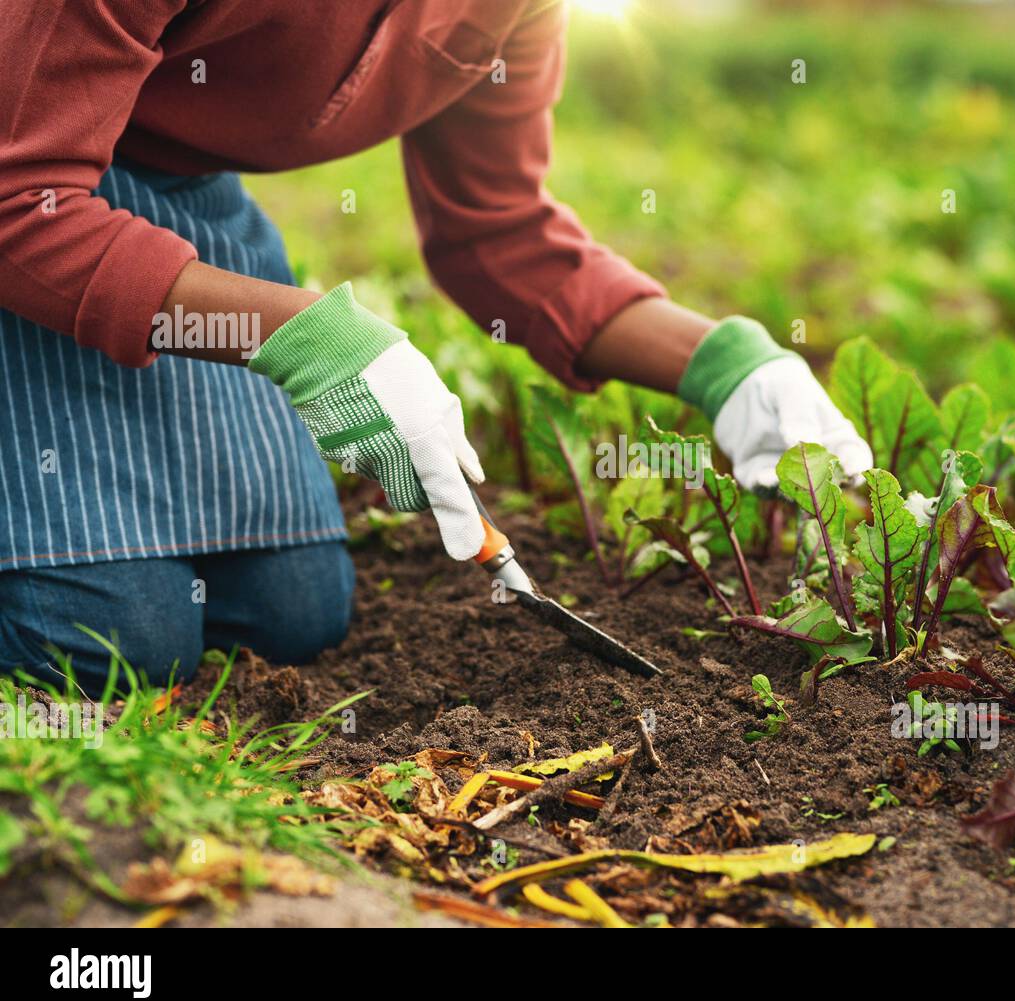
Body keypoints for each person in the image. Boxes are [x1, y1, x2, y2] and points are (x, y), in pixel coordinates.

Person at [0, 0, 871, 696]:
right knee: (109, 639)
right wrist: (306, 338)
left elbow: (499, 233)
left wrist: (729, 364)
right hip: (32, 195)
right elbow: (20, 196)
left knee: (291, 614)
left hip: (176, 209)